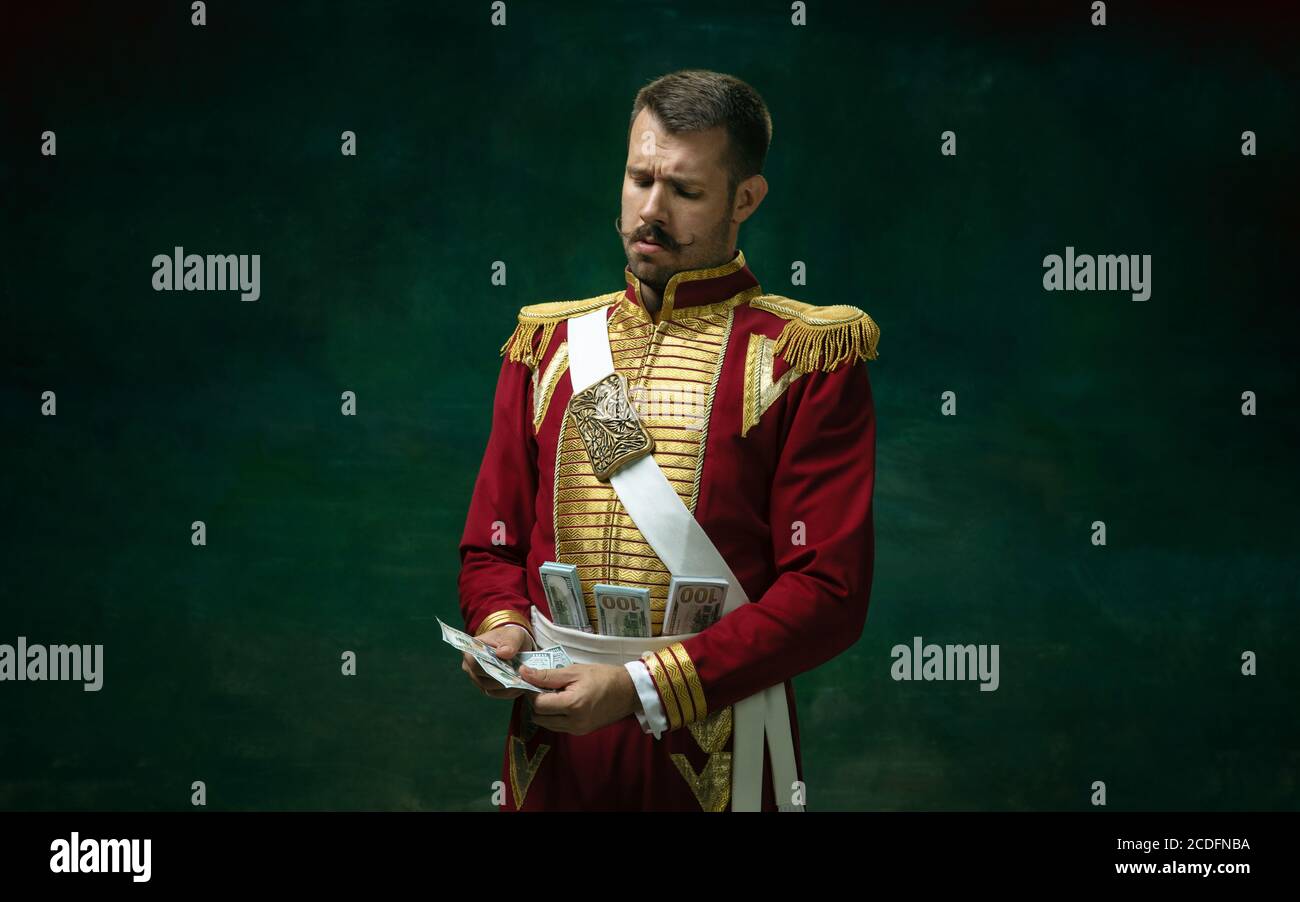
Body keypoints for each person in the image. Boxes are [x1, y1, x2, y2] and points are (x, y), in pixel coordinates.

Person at [457, 69, 880, 811]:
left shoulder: (803, 356)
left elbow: (827, 594)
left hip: (713, 750)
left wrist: (637, 688)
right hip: (553, 745)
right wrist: (501, 630)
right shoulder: (549, 344)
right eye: (638, 178)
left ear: (745, 199)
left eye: (684, 191)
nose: (650, 210)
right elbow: (492, 548)